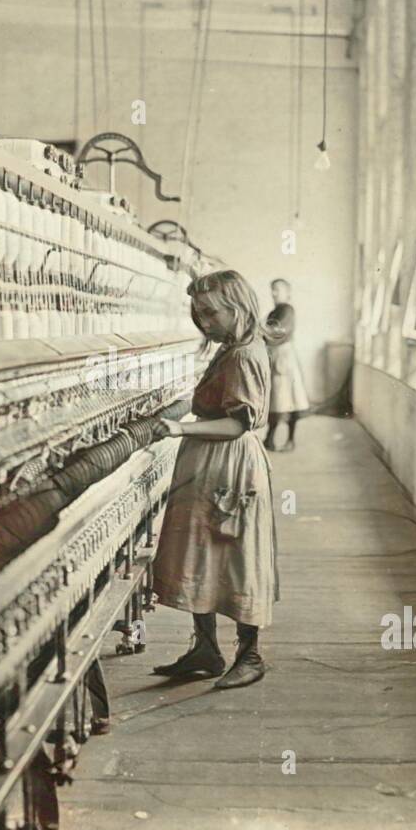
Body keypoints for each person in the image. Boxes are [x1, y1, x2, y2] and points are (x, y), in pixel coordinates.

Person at [150, 270, 280, 689]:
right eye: (198, 314)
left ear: (238, 307)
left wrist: (179, 429)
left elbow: (237, 425)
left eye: (210, 313)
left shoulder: (243, 355)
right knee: (201, 552)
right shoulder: (232, 349)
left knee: (236, 556)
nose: (204, 323)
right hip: (208, 463)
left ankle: (251, 655)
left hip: (229, 464)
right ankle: (206, 649)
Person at [262, 278, 310, 452]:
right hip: (276, 356)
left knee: (289, 399)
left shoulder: (287, 310)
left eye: (277, 290)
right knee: (277, 399)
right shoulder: (274, 311)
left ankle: (289, 440)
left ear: (287, 293)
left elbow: (278, 331)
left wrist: (260, 330)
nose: (274, 293)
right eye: (272, 289)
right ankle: (270, 438)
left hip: (284, 358)